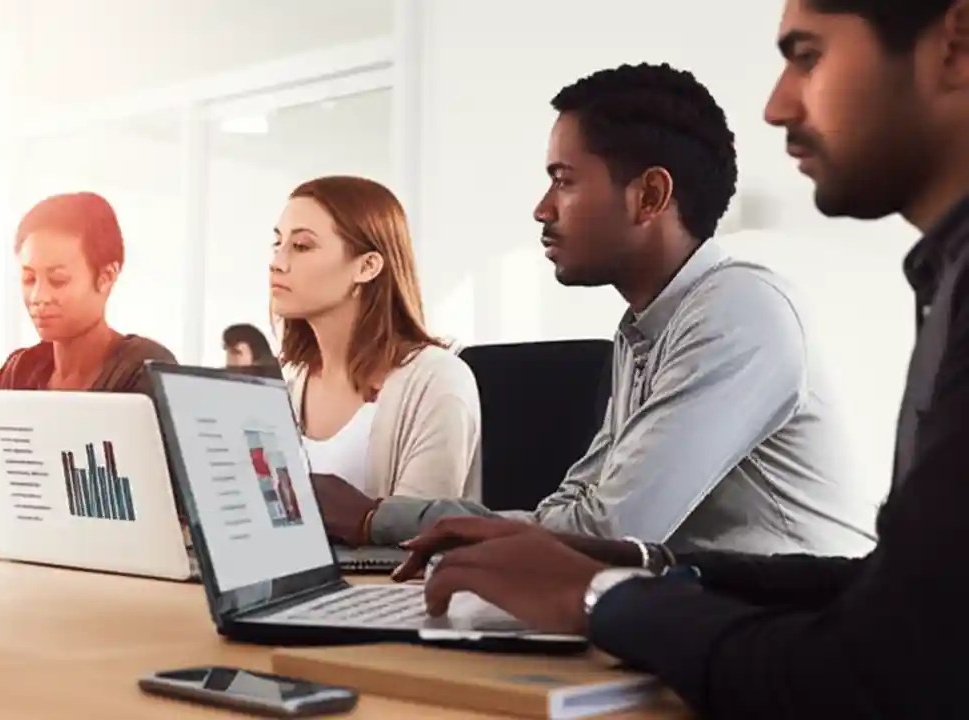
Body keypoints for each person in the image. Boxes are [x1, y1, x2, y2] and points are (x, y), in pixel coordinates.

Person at [396, 1, 969, 716]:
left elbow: (883, 667)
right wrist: (632, 565)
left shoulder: (740, 309)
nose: (775, 105)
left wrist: (599, 590)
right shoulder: (941, 282)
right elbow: (883, 589)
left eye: (808, 55)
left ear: (954, 43)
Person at [315, 64, 875, 558]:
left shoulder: (738, 312)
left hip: (803, 627)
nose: (542, 209)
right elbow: (569, 512)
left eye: (563, 181)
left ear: (649, 196)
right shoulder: (642, 331)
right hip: (712, 612)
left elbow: (609, 532)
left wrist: (375, 518)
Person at [273, 176, 481, 523]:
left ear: (367, 266)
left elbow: (414, 531)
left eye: (301, 246)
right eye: (277, 243)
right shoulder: (289, 382)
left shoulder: (437, 379)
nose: (278, 262)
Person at [0, 192, 176, 394]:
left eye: (58, 280)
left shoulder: (143, 369)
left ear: (106, 277)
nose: (38, 297)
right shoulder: (19, 371)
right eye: (29, 279)